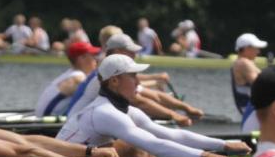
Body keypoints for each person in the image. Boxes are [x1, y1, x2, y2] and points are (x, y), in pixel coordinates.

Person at [56, 55, 248, 157]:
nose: (138, 82)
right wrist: (205, 156)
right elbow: (154, 145)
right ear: (114, 81)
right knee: (135, 144)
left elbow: (170, 134)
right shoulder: (104, 112)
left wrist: (223, 146)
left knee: (141, 139)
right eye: (132, 76)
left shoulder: (126, 111)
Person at [62, 34, 201, 125]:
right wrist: (174, 116)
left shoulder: (111, 69)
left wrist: (187, 108)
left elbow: (154, 95)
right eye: (131, 51)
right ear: (117, 52)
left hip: (89, 122)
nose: (135, 55)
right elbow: (140, 102)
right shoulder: (109, 72)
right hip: (77, 125)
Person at [34, 40, 101, 117]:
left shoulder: (71, 73)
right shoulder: (78, 78)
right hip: (46, 120)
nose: (96, 59)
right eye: (93, 55)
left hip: (44, 115)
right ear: (81, 59)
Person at [230, 32, 268, 115]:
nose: (258, 51)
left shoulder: (241, 63)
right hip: (252, 112)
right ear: (247, 48)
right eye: (256, 48)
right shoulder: (243, 63)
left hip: (251, 111)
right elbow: (261, 85)